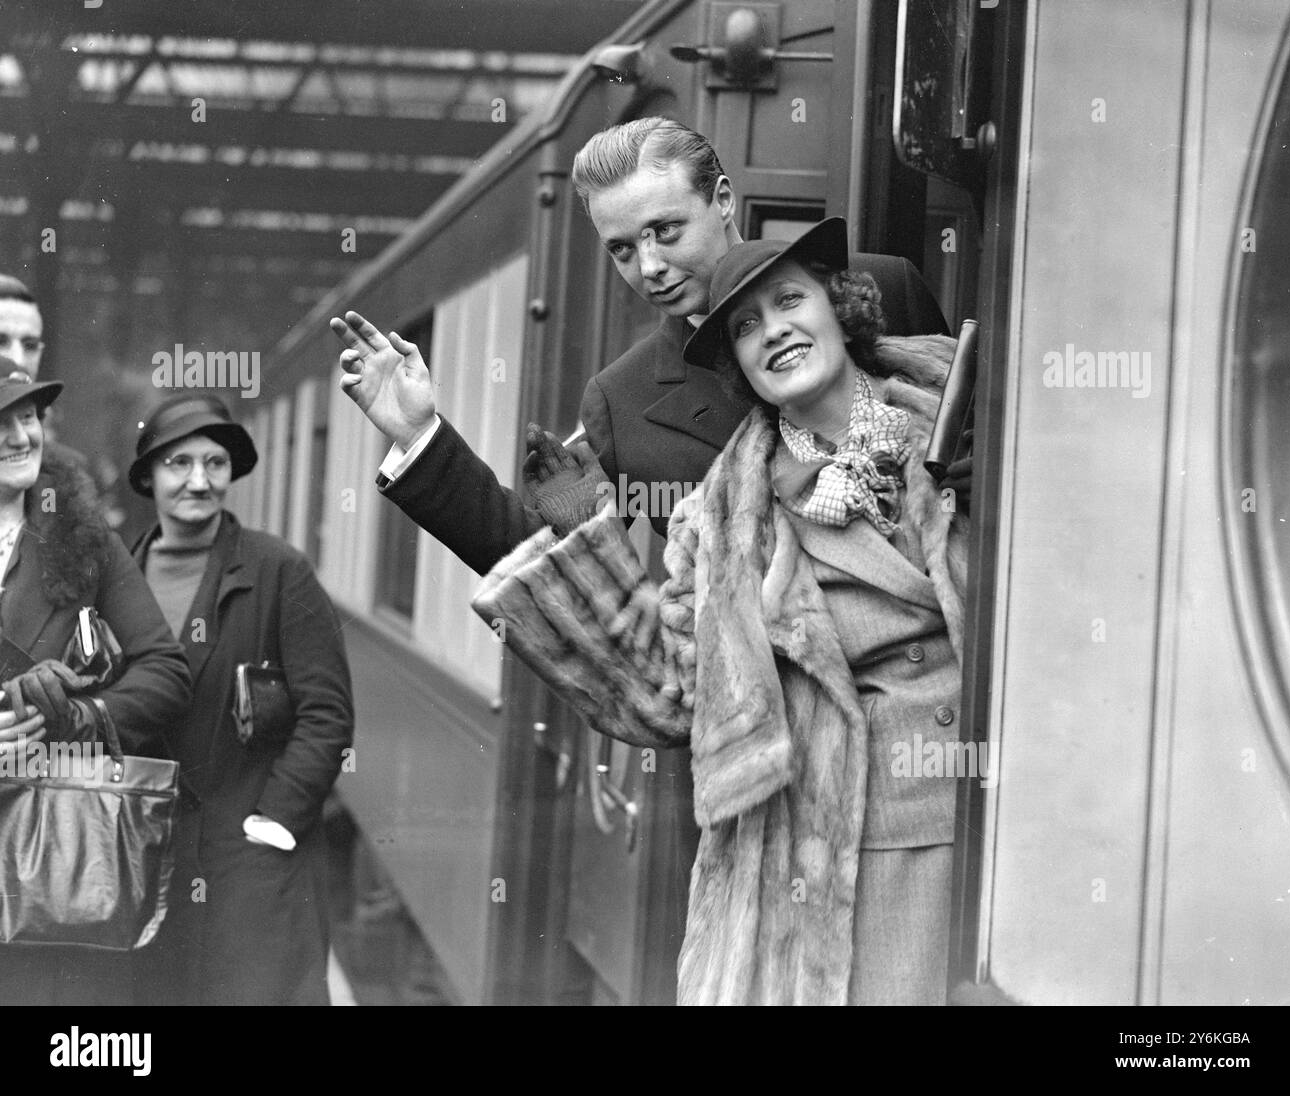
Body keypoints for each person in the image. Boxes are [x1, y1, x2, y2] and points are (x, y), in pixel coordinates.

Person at [473, 219, 967, 1005]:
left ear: (841, 309)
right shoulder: (721, 521)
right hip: (864, 841)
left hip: (1014, 811)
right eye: (745, 327)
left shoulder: (965, 420)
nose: (774, 332)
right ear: (738, 365)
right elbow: (676, 691)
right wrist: (587, 536)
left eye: (790, 302)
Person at [330, 117, 957, 576]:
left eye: (665, 231)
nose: (649, 266)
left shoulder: (883, 287)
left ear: (723, 200)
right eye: (623, 248)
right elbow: (541, 563)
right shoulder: (624, 400)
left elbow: (977, 459)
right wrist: (418, 435)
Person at [127, 395, 354, 1005]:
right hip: (145, 858)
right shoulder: (117, 577)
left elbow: (327, 713)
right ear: (148, 475)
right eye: (178, 463)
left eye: (215, 462)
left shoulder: (279, 571)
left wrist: (276, 819)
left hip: (252, 861)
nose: (199, 481)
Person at [0, 363, 192, 1006]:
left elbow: (166, 672)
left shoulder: (85, 543)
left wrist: (78, 717)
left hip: (52, 861)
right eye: (0, 421)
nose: (19, 436)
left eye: (27, 417)